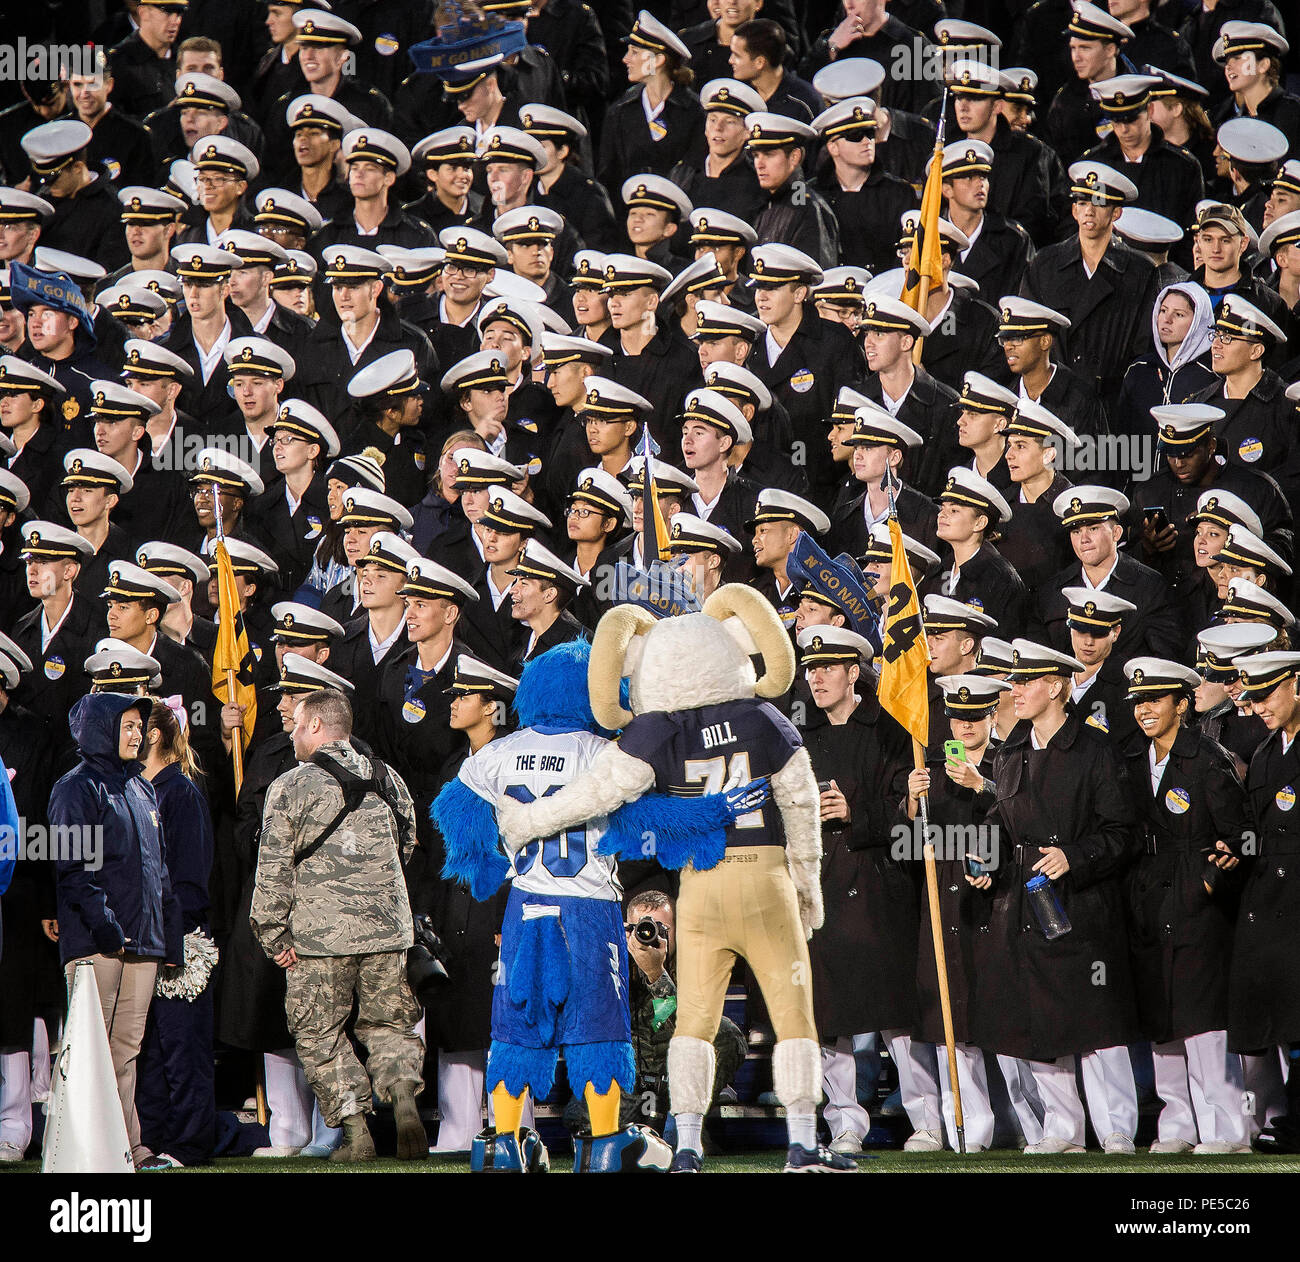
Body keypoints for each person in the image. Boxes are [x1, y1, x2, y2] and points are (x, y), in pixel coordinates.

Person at [969, 638, 1140, 1154]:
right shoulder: (1010, 753)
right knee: (1039, 1017)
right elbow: (999, 821)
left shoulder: (1095, 751)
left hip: (1083, 905)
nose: (1015, 690)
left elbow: (1122, 833)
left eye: (1026, 682)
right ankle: (1063, 1130)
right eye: (1014, 682)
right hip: (1026, 906)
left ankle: (1117, 1129)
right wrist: (985, 859)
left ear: (1057, 686)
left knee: (1096, 1019)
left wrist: (1075, 855)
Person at [249, 687, 426, 1163]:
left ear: (315, 726)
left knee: (319, 1032)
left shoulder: (290, 786)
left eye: (295, 724)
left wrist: (273, 936)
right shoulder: (387, 777)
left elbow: (272, 869)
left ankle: (356, 1132)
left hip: (318, 937)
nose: (290, 734)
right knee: (389, 1024)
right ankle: (403, 1092)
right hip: (387, 930)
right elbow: (408, 840)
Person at [1121, 657, 1251, 1154]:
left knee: (1203, 1018)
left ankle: (1228, 1129)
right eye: (1139, 702)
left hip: (1195, 899)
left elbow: (1241, 836)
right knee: (1162, 1015)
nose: (1145, 710)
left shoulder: (1207, 757)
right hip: (1148, 896)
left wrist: (1207, 885)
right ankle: (1177, 1125)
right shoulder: (1135, 758)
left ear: (1183, 702)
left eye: (1155, 699)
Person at [49, 692, 183, 1170]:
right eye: (125, 726)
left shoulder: (142, 788)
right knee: (90, 1051)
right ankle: (83, 1150)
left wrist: (170, 933)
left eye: (138, 726)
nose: (136, 735)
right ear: (99, 729)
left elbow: (159, 870)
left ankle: (129, 1149)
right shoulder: (74, 788)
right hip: (97, 943)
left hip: (142, 944)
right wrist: (104, 925)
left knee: (125, 1052)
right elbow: (71, 867)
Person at [134, 695, 217, 1168]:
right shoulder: (137, 790)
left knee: (182, 1049)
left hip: (178, 942)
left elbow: (188, 876)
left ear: (154, 736)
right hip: (147, 938)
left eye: (132, 727)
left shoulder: (179, 793)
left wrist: (174, 940)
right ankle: (155, 1141)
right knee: (150, 1051)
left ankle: (188, 1145)